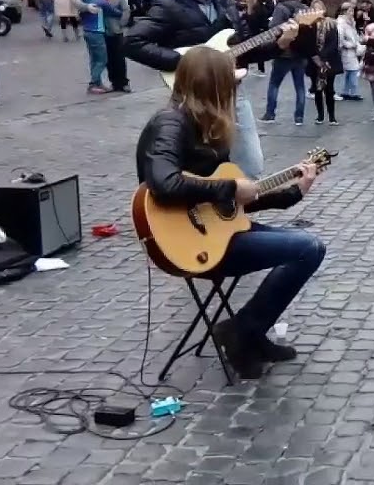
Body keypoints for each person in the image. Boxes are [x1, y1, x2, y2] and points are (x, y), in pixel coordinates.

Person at [135, 47, 325, 379]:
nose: (235, 91)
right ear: (211, 85)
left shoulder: (206, 125)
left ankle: (249, 331)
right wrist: (229, 188)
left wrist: (294, 192)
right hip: (189, 243)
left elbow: (233, 203)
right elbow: (164, 182)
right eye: (229, 83)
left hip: (220, 231)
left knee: (311, 247)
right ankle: (242, 332)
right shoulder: (170, 123)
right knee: (306, 248)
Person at [125, 0, 296, 177]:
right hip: (193, 98)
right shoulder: (168, 6)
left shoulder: (225, 2)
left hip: (231, 92)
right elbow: (132, 42)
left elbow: (245, 49)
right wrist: (185, 62)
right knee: (202, 166)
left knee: (251, 165)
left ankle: (244, 200)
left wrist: (279, 44)